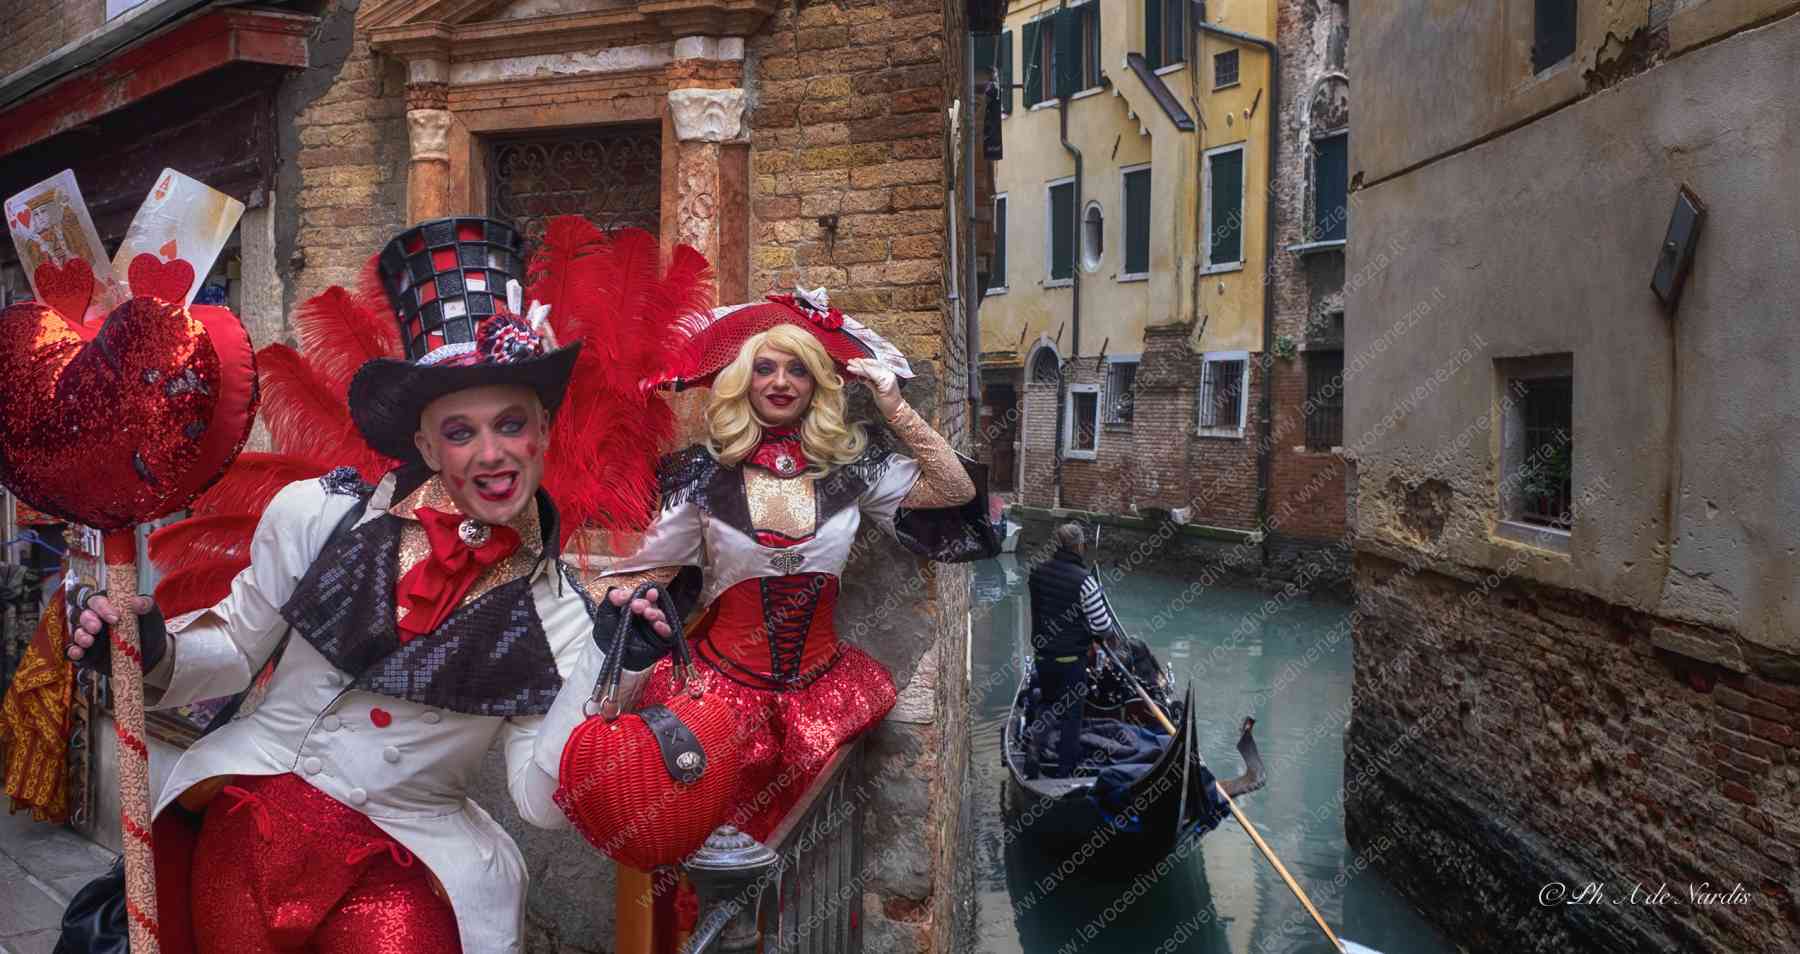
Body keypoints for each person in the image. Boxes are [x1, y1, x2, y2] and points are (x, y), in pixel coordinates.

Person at [62, 217, 676, 954]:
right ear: (423, 443)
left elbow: (540, 802)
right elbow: (229, 655)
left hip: (408, 861)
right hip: (248, 812)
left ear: (543, 431)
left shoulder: (560, 618)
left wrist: (616, 665)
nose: (491, 455)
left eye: (511, 424)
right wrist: (149, 649)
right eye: (459, 432)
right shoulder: (319, 516)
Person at [574, 291, 998, 845]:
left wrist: (895, 407)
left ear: (818, 384)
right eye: (765, 367)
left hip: (824, 696)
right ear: (743, 380)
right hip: (719, 698)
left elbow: (955, 488)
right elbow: (650, 571)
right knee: (716, 842)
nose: (780, 382)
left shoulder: (852, 467)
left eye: (798, 369)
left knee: (802, 847)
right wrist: (587, 604)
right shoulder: (702, 477)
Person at [1026, 522, 1122, 778]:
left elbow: (1044, 610)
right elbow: (1102, 625)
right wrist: (1110, 641)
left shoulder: (1037, 574)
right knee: (1072, 715)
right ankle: (1065, 772)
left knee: (1047, 704)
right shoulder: (1085, 582)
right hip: (1071, 660)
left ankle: (1033, 753)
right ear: (1080, 547)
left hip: (1043, 656)